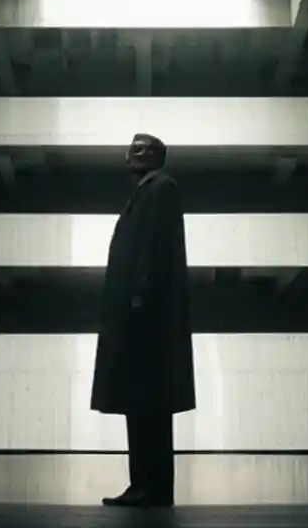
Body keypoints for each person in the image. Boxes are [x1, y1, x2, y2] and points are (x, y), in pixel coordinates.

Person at [91, 133, 195, 508]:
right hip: (140, 314)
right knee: (141, 404)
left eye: (144, 148)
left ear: (159, 157)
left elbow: (152, 247)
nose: (134, 152)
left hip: (144, 318)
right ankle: (145, 486)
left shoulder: (161, 188)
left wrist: (139, 297)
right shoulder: (148, 190)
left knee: (148, 404)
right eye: (132, 147)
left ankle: (151, 487)